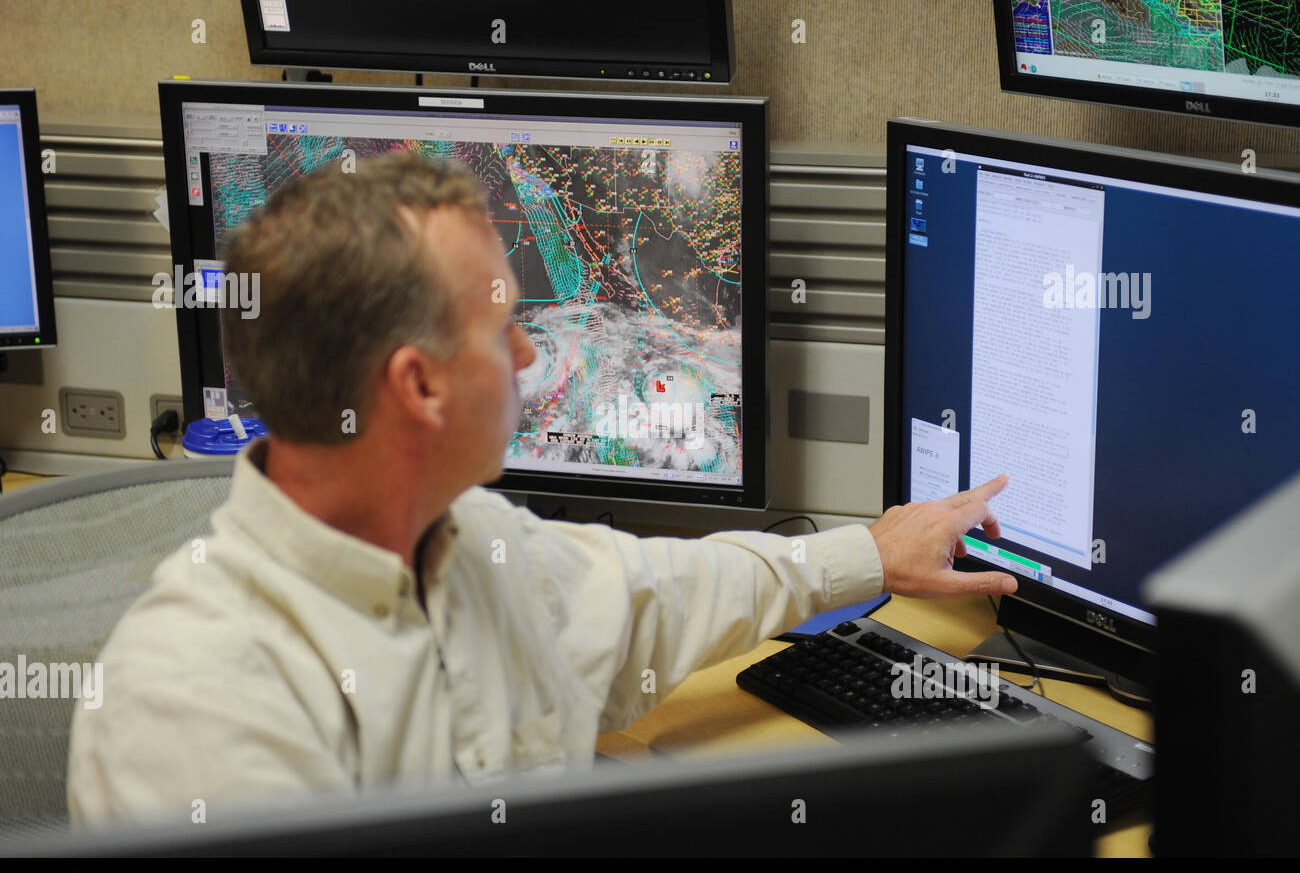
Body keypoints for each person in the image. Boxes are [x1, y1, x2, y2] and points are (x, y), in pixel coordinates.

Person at [67, 153, 1016, 825]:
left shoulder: (472, 543)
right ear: (420, 387)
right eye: (503, 328)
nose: (529, 353)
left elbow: (658, 597)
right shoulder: (197, 710)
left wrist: (868, 554)